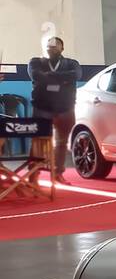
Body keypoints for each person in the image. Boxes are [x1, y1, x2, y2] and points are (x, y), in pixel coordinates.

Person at [28, 37, 81, 183]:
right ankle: (33, 175)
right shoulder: (36, 62)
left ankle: (57, 173)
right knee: (38, 142)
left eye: (55, 45)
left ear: (62, 48)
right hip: (42, 108)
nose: (51, 48)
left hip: (65, 109)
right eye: (49, 46)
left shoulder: (72, 63)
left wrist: (49, 76)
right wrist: (63, 80)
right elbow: (35, 75)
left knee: (62, 143)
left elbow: (76, 75)